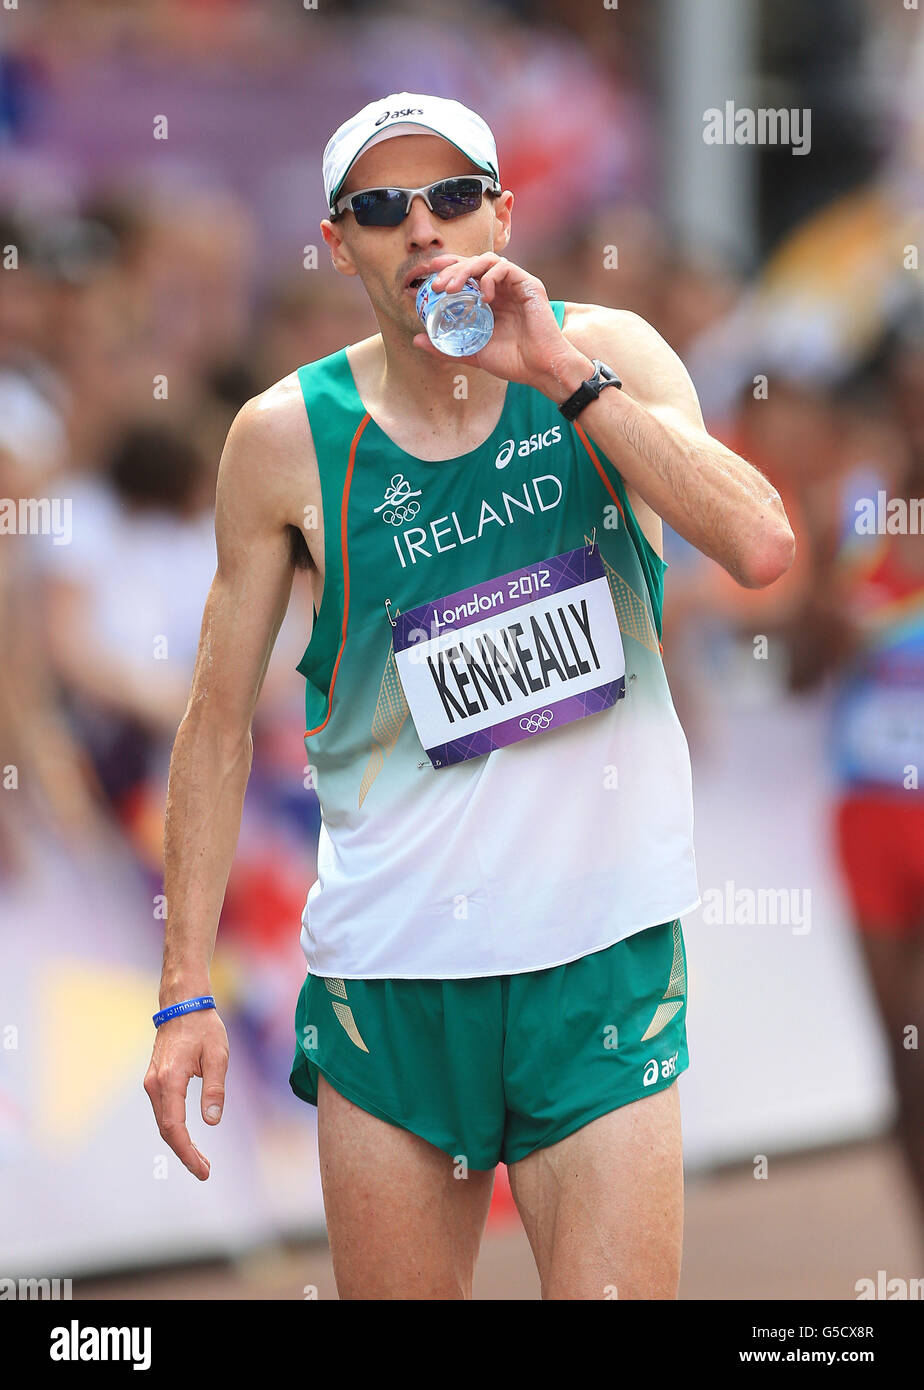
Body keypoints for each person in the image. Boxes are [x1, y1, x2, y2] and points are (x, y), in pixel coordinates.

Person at [143, 92, 795, 1300]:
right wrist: (183, 987)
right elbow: (216, 723)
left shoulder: (614, 355)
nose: (425, 230)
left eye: (451, 196)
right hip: (391, 978)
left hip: (597, 960)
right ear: (341, 243)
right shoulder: (284, 439)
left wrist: (560, 370)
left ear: (504, 206)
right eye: (384, 209)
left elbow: (759, 545)